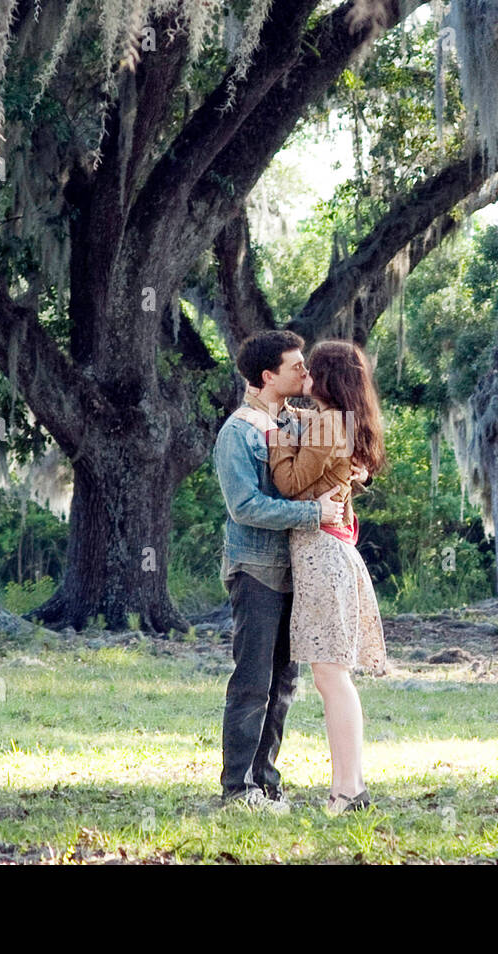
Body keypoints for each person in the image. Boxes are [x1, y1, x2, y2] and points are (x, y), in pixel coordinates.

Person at [212, 330, 346, 811]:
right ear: (268, 376)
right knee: (253, 680)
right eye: (297, 367)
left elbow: (331, 455)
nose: (306, 374)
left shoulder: (297, 421)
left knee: (285, 680)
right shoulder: (239, 432)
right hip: (257, 571)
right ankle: (238, 789)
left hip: (299, 570)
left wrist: (356, 470)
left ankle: (267, 780)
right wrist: (314, 516)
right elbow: (245, 506)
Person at [268, 340, 387, 814]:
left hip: (321, 554)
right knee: (331, 677)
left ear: (326, 378)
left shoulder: (329, 423)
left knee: (332, 677)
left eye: (311, 370)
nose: (305, 378)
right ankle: (348, 786)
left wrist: (276, 438)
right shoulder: (336, 422)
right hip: (327, 551)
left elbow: (289, 484)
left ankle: (348, 790)